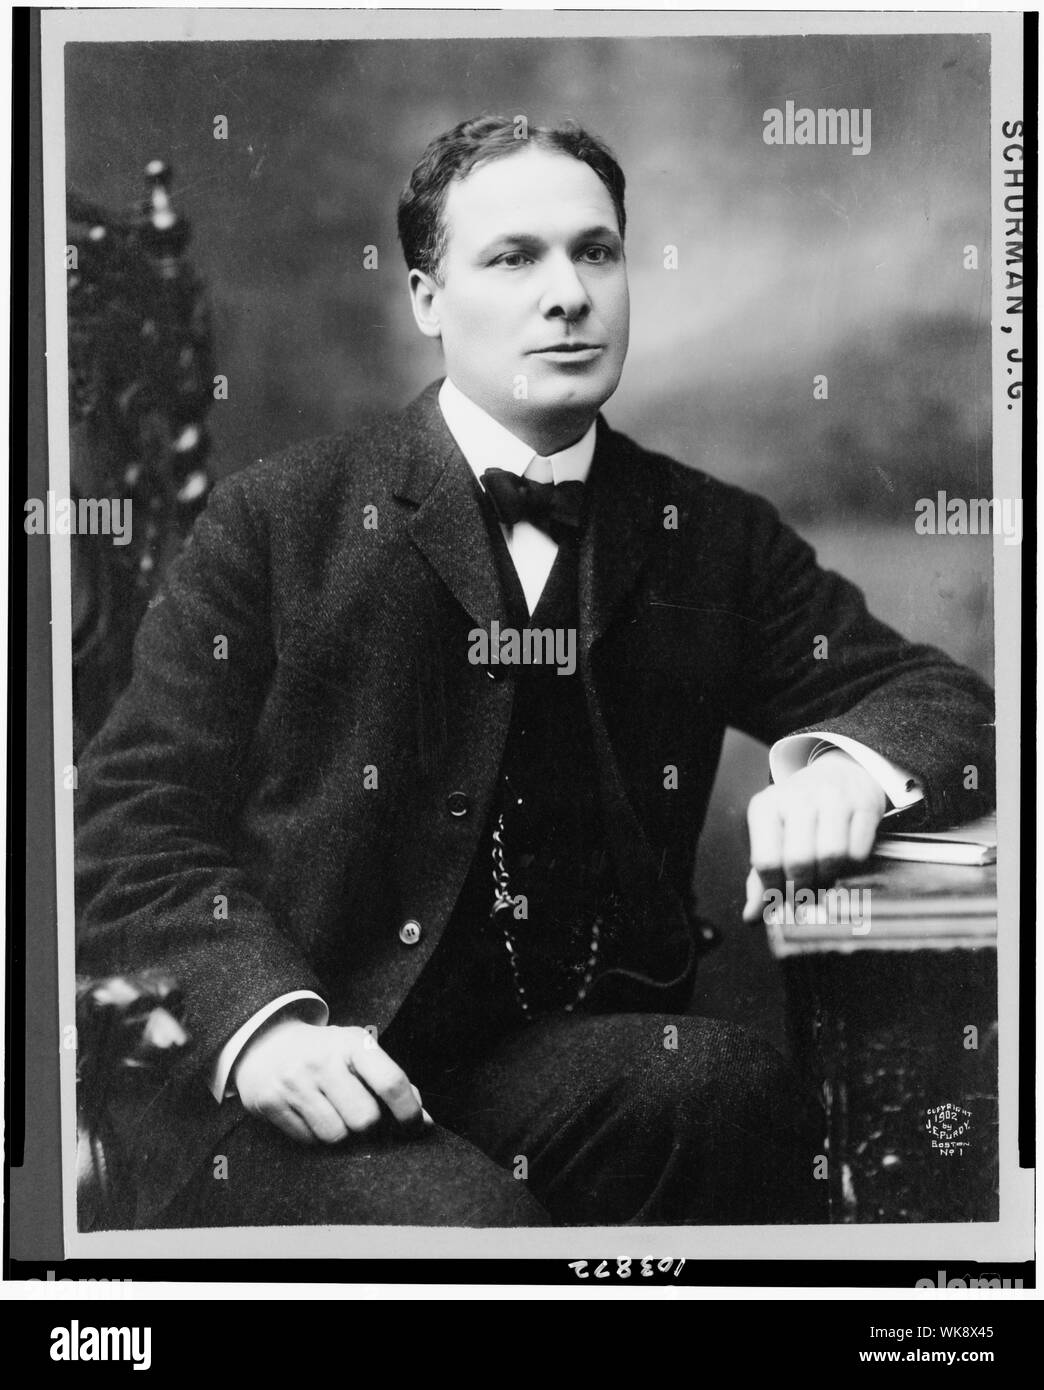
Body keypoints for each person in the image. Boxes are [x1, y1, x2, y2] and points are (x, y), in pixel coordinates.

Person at [75, 115, 995, 1229]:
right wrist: (260, 1025)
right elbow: (132, 818)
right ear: (425, 298)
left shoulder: (710, 533)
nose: (567, 294)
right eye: (512, 258)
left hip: (532, 1066)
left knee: (730, 1092)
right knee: (473, 1229)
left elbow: (941, 700)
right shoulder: (276, 521)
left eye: (595, 252)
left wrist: (855, 767)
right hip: (296, 1075)